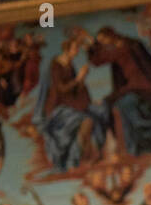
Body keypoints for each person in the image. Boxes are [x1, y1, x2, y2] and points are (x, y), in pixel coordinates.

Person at [87, 26, 151, 156]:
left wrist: (92, 43)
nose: (104, 44)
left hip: (144, 86)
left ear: (111, 35)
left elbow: (99, 60)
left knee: (124, 103)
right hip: (134, 86)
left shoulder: (126, 47)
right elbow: (97, 61)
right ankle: (136, 147)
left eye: (104, 40)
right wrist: (93, 44)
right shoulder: (121, 47)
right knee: (118, 103)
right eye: (101, 42)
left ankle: (140, 146)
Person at [33, 30, 105, 172]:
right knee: (86, 121)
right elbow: (61, 90)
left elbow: (75, 91)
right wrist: (78, 79)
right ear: (67, 49)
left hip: (71, 106)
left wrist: (81, 80)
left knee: (97, 114)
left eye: (78, 48)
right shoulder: (56, 66)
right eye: (75, 48)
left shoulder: (70, 65)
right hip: (58, 109)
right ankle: (73, 160)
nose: (77, 52)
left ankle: (82, 158)